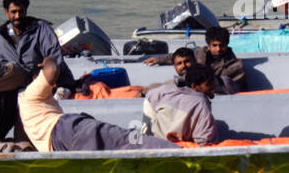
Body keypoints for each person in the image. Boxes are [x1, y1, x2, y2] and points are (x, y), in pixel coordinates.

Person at [19, 58, 175, 152]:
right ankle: (179, 152)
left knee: (124, 141)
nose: (53, 85)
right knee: (128, 139)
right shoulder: (31, 93)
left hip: (61, 142)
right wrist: (48, 60)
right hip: (66, 131)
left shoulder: (26, 106)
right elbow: (52, 69)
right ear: (35, 78)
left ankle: (172, 151)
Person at [0, 0, 75, 86]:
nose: (17, 16)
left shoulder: (42, 29)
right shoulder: (2, 35)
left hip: (49, 81)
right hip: (19, 84)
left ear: (26, 11)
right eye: (13, 12)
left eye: (21, 11)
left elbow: (55, 58)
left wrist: (44, 73)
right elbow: (4, 64)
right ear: (6, 12)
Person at [143, 26, 245, 94]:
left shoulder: (235, 64)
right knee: (156, 87)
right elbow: (180, 55)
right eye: (214, 45)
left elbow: (229, 86)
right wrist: (159, 59)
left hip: (211, 92)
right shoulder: (200, 53)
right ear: (208, 46)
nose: (218, 49)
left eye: (221, 45)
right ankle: (142, 93)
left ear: (227, 45)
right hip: (190, 86)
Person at [143, 63, 219, 145]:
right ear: (194, 86)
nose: (214, 87)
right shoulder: (201, 103)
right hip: (176, 149)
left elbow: (149, 97)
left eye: (213, 82)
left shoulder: (165, 90)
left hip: (153, 144)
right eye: (208, 84)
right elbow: (206, 141)